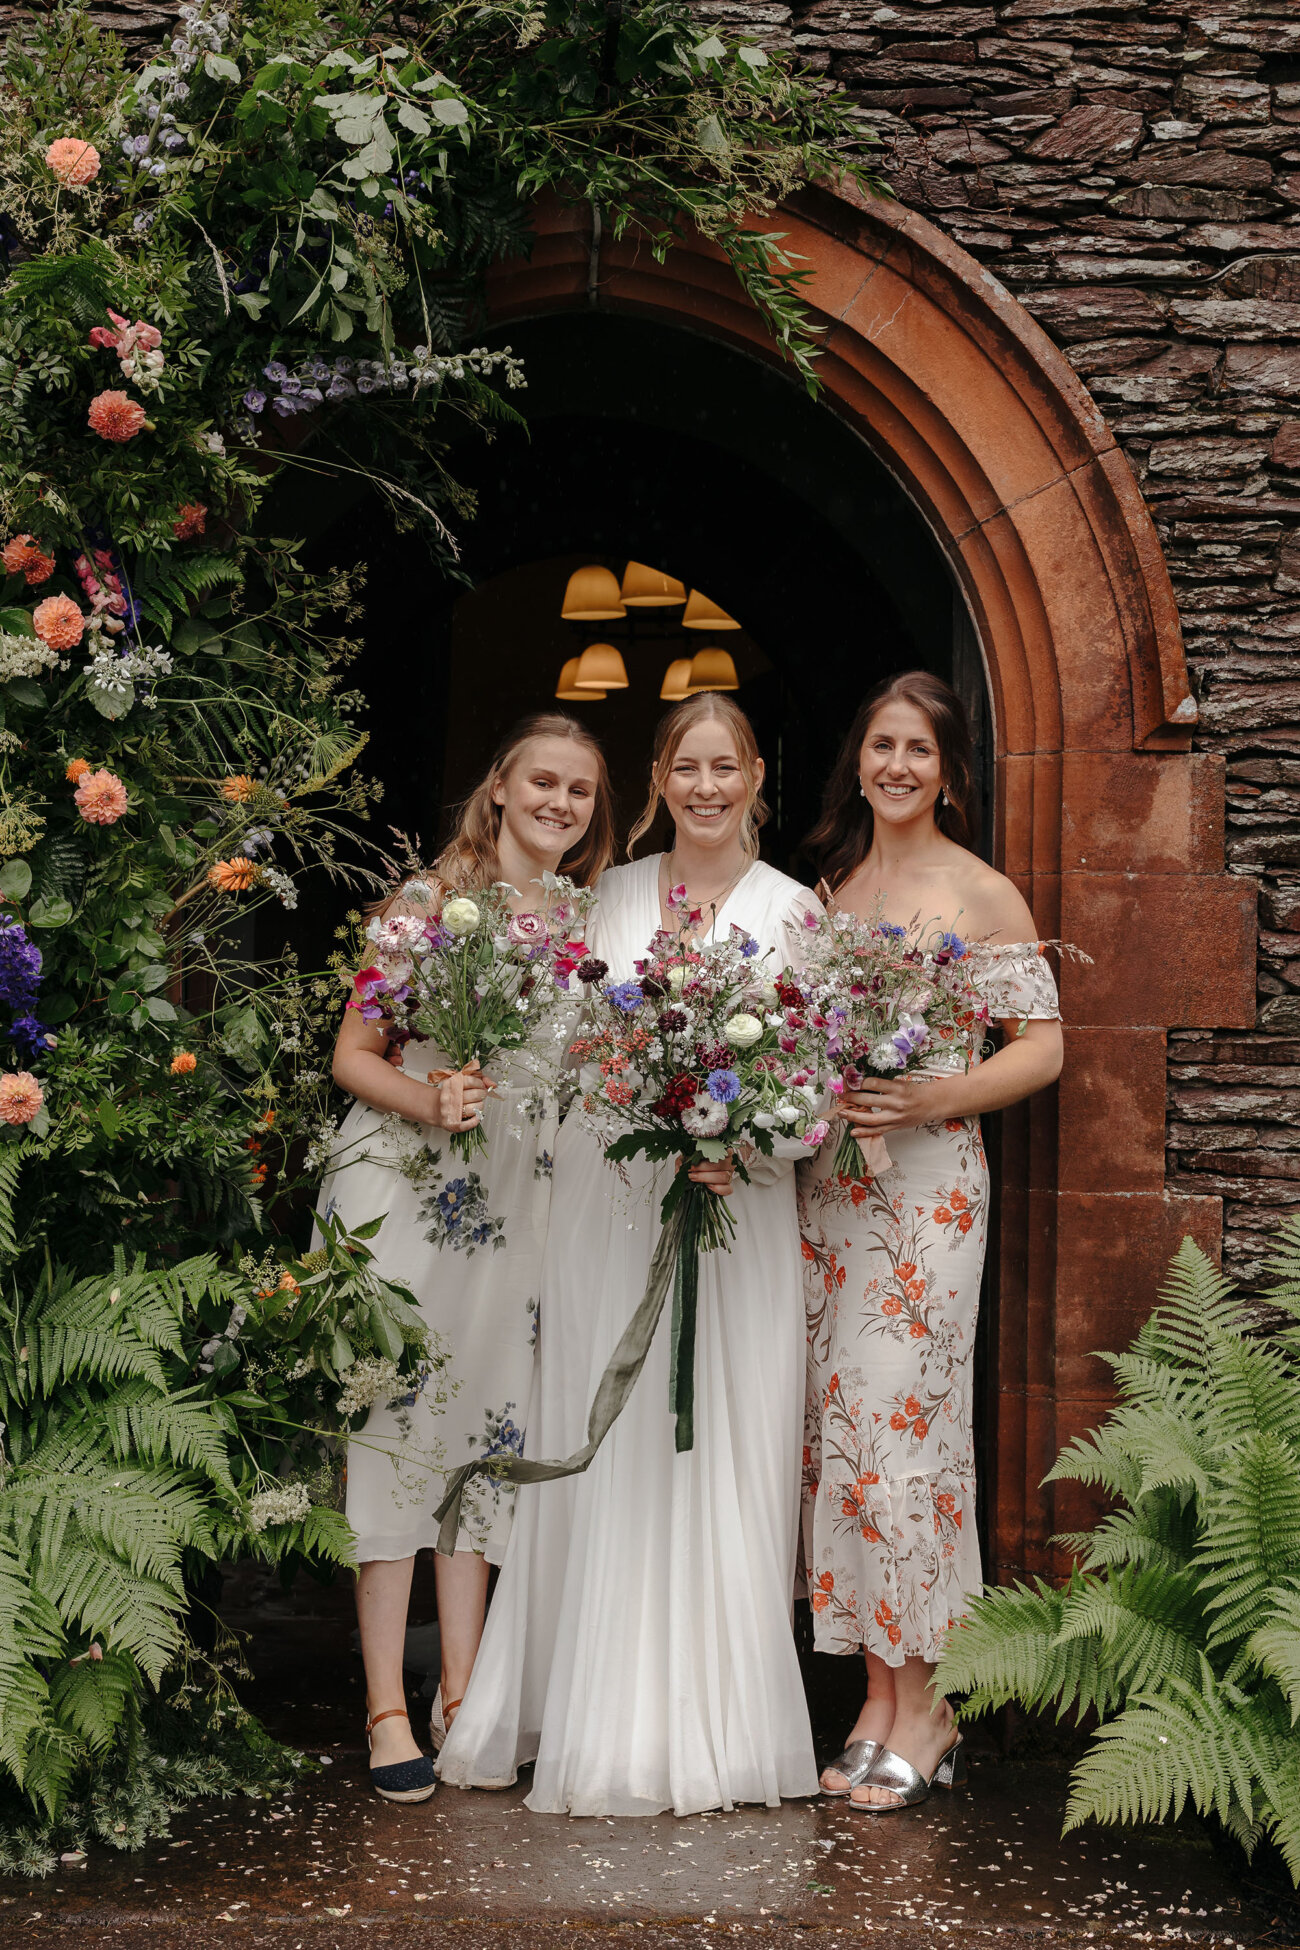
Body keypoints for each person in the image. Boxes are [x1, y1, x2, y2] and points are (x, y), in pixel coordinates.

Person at [438, 693, 823, 1816]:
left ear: (756, 777)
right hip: (602, 1220)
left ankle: (717, 1725)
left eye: (726, 767)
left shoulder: (793, 911)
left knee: (718, 1450)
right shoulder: (596, 900)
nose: (705, 787)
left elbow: (818, 1092)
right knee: (604, 1445)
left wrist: (749, 1142)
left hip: (734, 1224)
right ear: (656, 779)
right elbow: (551, 1056)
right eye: (685, 768)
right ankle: (581, 1705)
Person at [317, 713, 615, 1802]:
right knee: (396, 1432)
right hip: (405, 1192)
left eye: (580, 792)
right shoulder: (425, 906)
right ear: (499, 788)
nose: (560, 804)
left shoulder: (589, 921)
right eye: (543, 782)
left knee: (486, 1435)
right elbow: (354, 1053)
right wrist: (429, 1093)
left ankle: (465, 1693)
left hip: (519, 1205)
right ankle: (386, 1704)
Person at [798, 670, 1063, 1813]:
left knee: (903, 1429)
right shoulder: (833, 886)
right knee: (841, 1437)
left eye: (917, 749)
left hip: (929, 1193)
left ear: (950, 772)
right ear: (857, 760)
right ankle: (874, 1692)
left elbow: (1041, 1048)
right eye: (879, 746)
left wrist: (932, 1095)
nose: (895, 765)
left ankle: (934, 1702)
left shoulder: (980, 891)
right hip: (832, 1193)